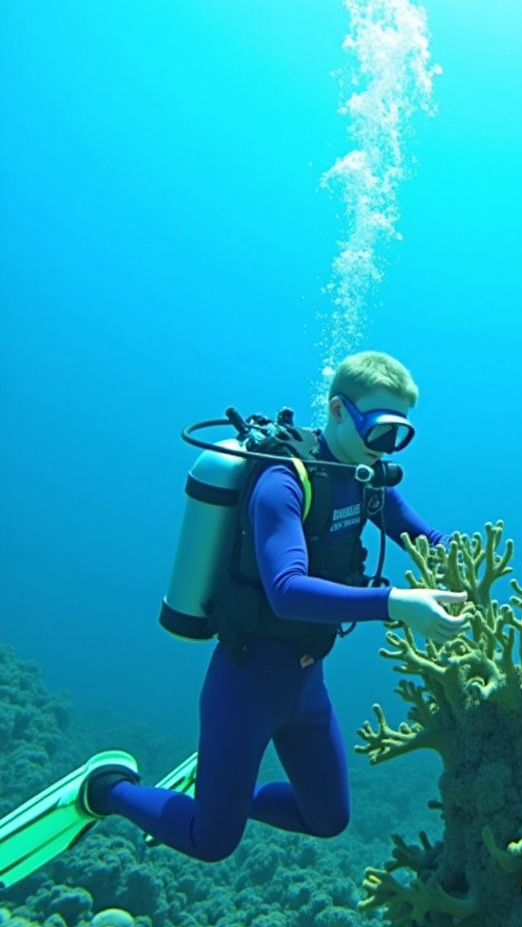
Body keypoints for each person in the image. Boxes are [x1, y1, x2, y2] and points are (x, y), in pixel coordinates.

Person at [0, 351, 466, 884]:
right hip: (247, 680)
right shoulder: (283, 482)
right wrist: (395, 604)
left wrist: (473, 560)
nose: (388, 450)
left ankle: (222, 795)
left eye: (401, 435)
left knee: (328, 819)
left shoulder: (366, 479)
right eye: (381, 430)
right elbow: (287, 591)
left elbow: (423, 535)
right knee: (211, 840)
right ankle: (107, 789)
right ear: (338, 411)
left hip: (308, 682)